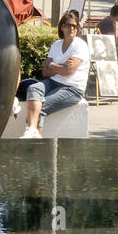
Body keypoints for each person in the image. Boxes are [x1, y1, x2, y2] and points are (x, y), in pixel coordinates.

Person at [19, 11, 90, 139]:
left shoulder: (80, 46)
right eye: (68, 25)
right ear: (62, 27)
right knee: (33, 88)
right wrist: (60, 67)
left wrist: (52, 65)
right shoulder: (56, 45)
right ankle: (33, 132)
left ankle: (32, 140)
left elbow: (69, 71)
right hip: (54, 82)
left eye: (75, 26)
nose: (72, 28)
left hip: (72, 88)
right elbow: (44, 71)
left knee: (41, 107)